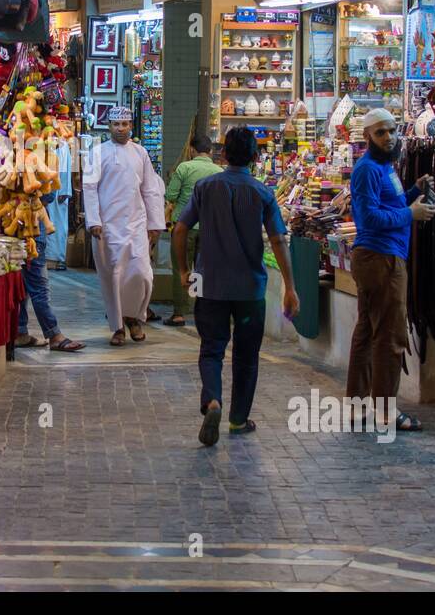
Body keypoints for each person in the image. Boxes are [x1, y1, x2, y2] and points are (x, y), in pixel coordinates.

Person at [174, 126, 300, 446]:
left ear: (223, 154)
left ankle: (212, 401)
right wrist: (290, 286)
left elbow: (179, 230)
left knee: (211, 348)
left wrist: (183, 271)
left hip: (208, 283)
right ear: (256, 158)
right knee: (247, 356)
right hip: (250, 288)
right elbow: (278, 240)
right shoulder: (263, 193)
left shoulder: (204, 187)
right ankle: (238, 420)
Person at [347, 108, 435, 432]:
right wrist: (411, 214)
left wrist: (413, 192)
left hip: (382, 257)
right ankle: (386, 413)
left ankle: (358, 408)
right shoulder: (368, 169)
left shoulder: (385, 168)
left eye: (393, 131)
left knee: (368, 333)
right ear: (367, 136)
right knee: (389, 337)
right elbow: (369, 219)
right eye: (381, 133)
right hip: (381, 259)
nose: (389, 138)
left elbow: (389, 207)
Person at [82, 107, 165, 346]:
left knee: (141, 273)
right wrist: (94, 221)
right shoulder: (97, 153)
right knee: (114, 276)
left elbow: (150, 189)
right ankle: (118, 327)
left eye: (125, 124)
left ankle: (135, 317)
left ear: (131, 126)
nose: (120, 129)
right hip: (107, 227)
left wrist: (155, 223)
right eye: (116, 125)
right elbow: (89, 188)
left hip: (136, 224)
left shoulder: (140, 153)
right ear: (109, 127)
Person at [163, 134, 221, 326]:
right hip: (208, 229)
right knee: (201, 270)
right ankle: (199, 311)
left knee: (181, 268)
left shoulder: (184, 167)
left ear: (191, 150)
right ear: (210, 151)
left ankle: (179, 312)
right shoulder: (219, 171)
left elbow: (171, 194)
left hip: (183, 227)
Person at [42, 134, 72, 271]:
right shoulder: (40, 141)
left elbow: (65, 167)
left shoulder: (62, 144)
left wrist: (65, 189)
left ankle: (58, 258)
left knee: (58, 223)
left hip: (58, 189)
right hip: (42, 188)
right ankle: (44, 256)